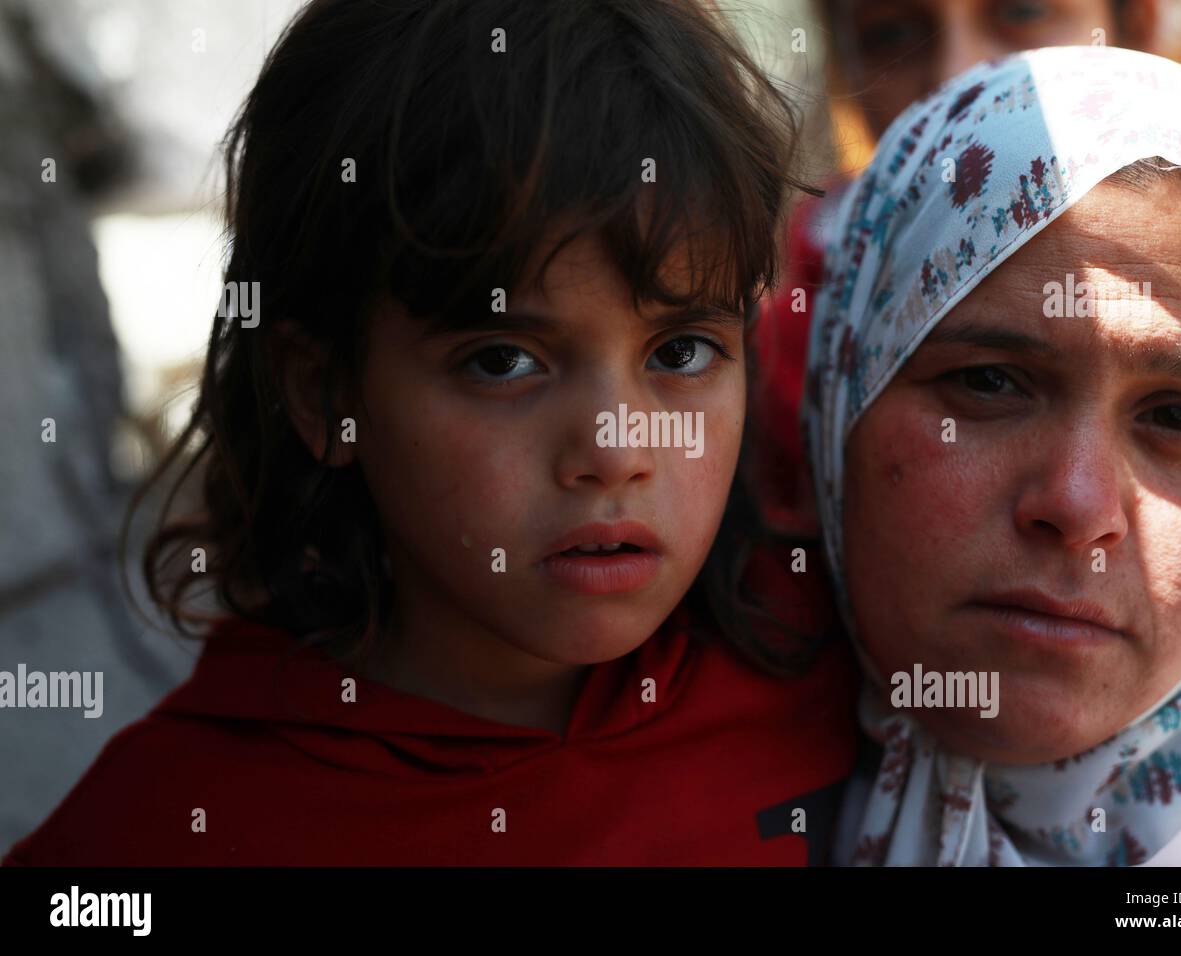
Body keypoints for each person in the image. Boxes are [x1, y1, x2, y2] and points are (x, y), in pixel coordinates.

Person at [2, 0, 859, 867]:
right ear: (324, 391)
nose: (616, 449)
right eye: (501, 362)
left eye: (681, 351)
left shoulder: (853, 670)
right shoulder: (160, 836)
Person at [805, 44, 1181, 865]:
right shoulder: (646, 783)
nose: (1076, 506)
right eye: (991, 382)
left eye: (1178, 417)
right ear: (838, 399)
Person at [750, 0, 1181, 537]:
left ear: (1137, 30)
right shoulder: (759, 342)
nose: (957, 75)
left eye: (1023, 12)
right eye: (890, 34)